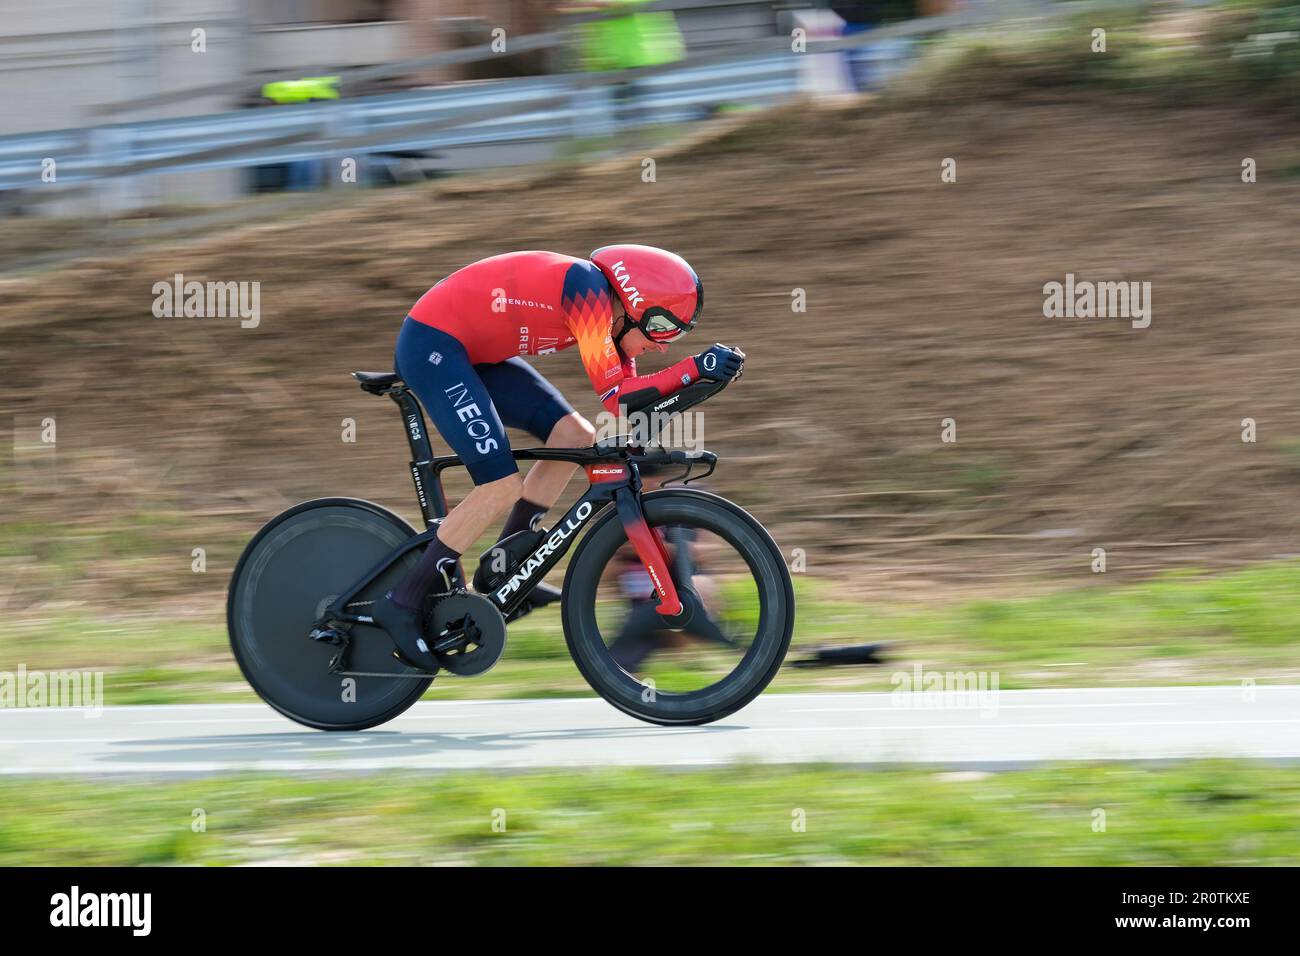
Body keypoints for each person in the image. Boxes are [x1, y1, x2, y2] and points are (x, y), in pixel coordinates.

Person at [372, 245, 746, 668]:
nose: (663, 346)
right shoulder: (586, 291)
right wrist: (693, 367)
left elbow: (630, 411)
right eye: (663, 329)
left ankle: (505, 566)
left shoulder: (611, 315)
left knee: (573, 435)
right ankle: (401, 602)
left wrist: (696, 385)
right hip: (434, 347)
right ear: (636, 303)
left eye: (674, 337)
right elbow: (617, 399)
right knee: (499, 485)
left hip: (472, 353)